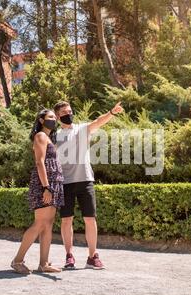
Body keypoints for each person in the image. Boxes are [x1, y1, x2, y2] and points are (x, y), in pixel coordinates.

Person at [54, 100, 124, 270]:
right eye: (64, 112)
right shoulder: (54, 136)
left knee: (90, 219)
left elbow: (98, 122)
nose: (68, 114)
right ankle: (69, 256)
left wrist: (111, 113)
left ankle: (92, 256)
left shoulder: (82, 129)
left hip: (85, 180)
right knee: (66, 220)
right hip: (65, 183)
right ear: (57, 117)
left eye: (70, 111)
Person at [10, 109, 64, 274]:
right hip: (44, 184)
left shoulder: (49, 138)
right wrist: (46, 187)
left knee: (48, 224)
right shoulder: (40, 136)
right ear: (41, 120)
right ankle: (17, 260)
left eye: (55, 117)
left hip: (54, 183)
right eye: (50, 117)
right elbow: (40, 163)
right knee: (40, 223)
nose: (54, 119)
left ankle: (43, 264)